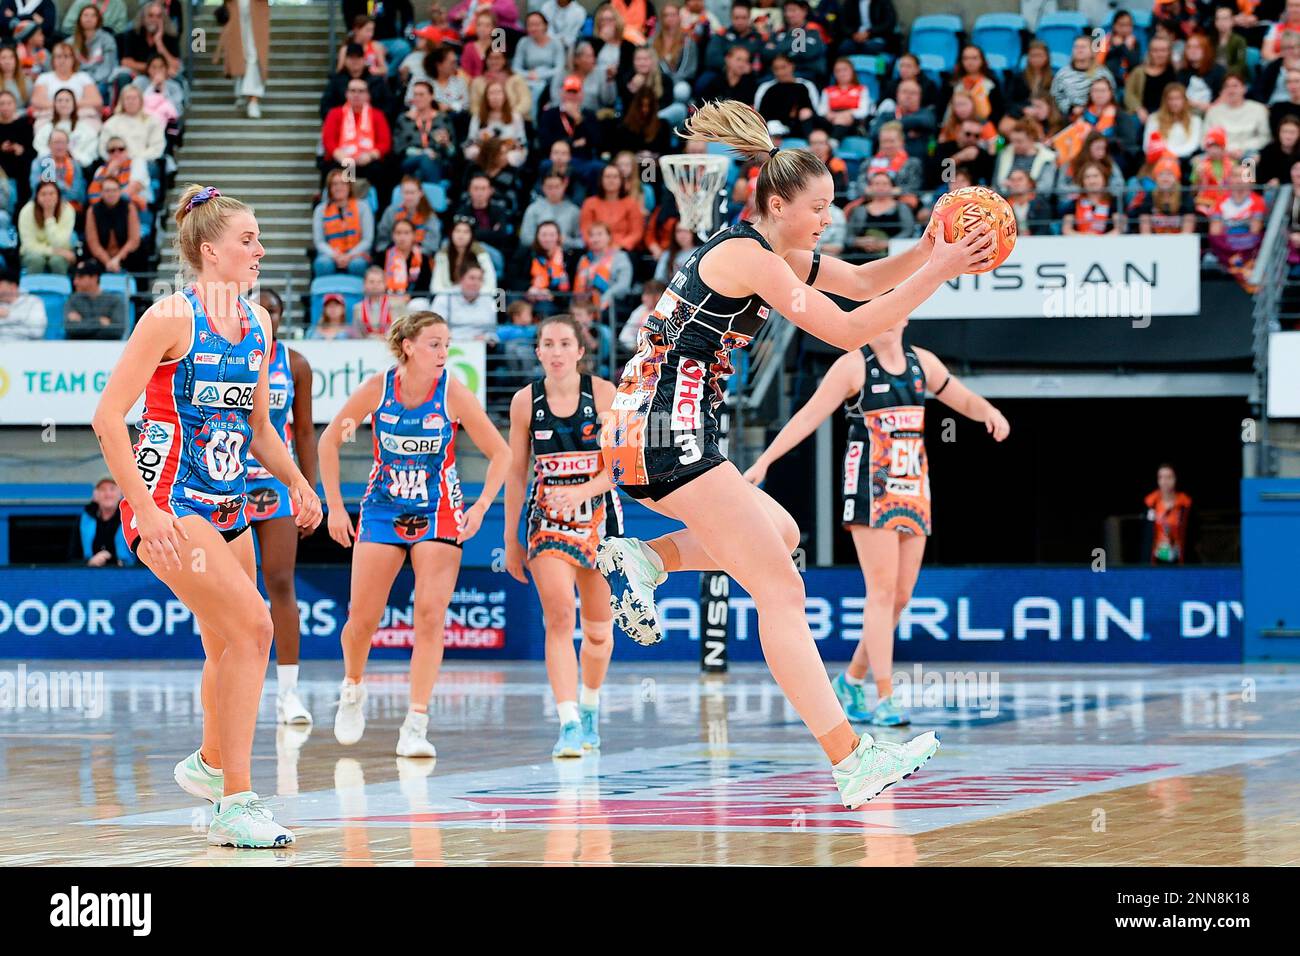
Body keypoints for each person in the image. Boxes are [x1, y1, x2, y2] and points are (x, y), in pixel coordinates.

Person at [595, 101, 992, 808]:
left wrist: (932, 249)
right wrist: (943, 272)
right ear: (777, 204)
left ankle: (649, 557)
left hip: (653, 428)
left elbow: (868, 283)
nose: (828, 218)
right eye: (818, 208)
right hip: (666, 429)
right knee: (782, 591)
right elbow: (846, 331)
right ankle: (850, 759)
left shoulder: (769, 250)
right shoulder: (749, 258)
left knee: (782, 532)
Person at [90, 184, 323, 848]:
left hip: (230, 506)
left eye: (258, 239)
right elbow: (108, 418)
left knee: (226, 644)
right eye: (248, 239)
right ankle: (237, 800)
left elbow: (260, 429)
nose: (260, 250)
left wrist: (298, 482)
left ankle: (211, 762)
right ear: (209, 250)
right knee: (255, 626)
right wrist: (143, 511)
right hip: (170, 504)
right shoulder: (169, 317)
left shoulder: (260, 325)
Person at [744, 323, 1008, 725]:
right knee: (881, 592)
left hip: (914, 487)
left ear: (903, 319)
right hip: (871, 486)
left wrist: (987, 411)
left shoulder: (923, 363)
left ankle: (851, 680)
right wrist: (766, 460)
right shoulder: (854, 366)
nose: (887, 317)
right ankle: (885, 696)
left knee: (900, 596)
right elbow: (808, 416)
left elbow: (961, 397)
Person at [321, 309, 511, 757]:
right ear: (408, 346)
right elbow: (330, 440)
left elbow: (500, 453)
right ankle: (352, 687)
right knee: (361, 620)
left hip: (439, 510)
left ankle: (416, 723)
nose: (444, 352)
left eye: (447, 344)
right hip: (383, 508)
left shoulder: (453, 394)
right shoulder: (378, 389)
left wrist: (482, 506)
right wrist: (333, 506)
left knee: (429, 616)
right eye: (434, 344)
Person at [504, 314, 622, 756]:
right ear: (538, 351)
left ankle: (590, 708)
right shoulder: (524, 402)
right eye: (547, 344)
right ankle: (568, 721)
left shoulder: (605, 395)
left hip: (600, 520)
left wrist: (584, 492)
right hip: (546, 522)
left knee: (598, 634)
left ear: (579, 350)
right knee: (558, 619)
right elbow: (516, 474)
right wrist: (511, 536)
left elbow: (622, 468)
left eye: (563, 343)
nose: (555, 352)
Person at [238, 286, 318, 727]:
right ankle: (236, 687)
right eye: (259, 310)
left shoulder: (295, 364)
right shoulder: (225, 348)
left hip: (274, 481)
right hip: (225, 480)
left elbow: (304, 432)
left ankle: (288, 694)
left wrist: (308, 488)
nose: (266, 317)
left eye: (274, 312)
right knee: (235, 588)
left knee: (280, 580)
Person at [313, 167, 374, 277]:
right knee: (323, 264)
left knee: (357, 264)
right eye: (334, 184)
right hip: (331, 254)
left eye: (343, 183)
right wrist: (335, 255)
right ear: (329, 188)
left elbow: (367, 240)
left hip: (357, 253)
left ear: (349, 186)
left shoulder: (363, 207)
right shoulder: (320, 210)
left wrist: (349, 255)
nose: (339, 187)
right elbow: (319, 241)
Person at [84, 175, 144, 272]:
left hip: (125, 254)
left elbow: (134, 239)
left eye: (114, 190)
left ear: (120, 192)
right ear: (101, 193)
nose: (111, 194)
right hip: (101, 256)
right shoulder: (92, 211)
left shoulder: (129, 208)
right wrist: (108, 262)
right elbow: (93, 243)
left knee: (140, 251)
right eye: (107, 190)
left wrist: (117, 259)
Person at [71, 476, 134, 566]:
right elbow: (72, 558)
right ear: (95, 495)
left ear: (120, 493)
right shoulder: (82, 520)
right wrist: (89, 563)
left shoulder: (131, 519)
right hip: (90, 575)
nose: (108, 494)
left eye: (112, 489)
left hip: (128, 576)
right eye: (102, 489)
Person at [18, 177, 75, 273]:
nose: (48, 198)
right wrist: (53, 251)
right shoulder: (27, 211)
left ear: (58, 196)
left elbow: (59, 243)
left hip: (61, 253)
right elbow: (29, 245)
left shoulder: (67, 210)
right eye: (43, 194)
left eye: (52, 194)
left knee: (57, 261)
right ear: (37, 196)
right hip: (33, 254)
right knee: (36, 260)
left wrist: (49, 218)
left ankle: (60, 287)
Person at [65, 257, 126, 338]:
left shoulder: (114, 300)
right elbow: (70, 328)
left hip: (107, 348)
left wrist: (82, 323)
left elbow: (118, 330)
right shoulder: (72, 300)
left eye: (80, 277)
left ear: (94, 278)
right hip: (78, 348)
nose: (75, 282)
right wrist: (99, 322)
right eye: (75, 277)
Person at [1144, 463, 1194, 564]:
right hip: (1156, 561)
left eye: (1169, 477)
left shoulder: (1185, 504)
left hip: (1180, 560)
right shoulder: (1150, 503)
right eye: (1161, 477)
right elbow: (1146, 536)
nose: (1165, 481)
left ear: (1176, 479)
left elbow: (1193, 533)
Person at [0, 264, 45, 338]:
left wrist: (8, 316)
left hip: (26, 346)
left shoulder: (33, 302)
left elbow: (37, 332)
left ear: (13, 287)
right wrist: (20, 325)